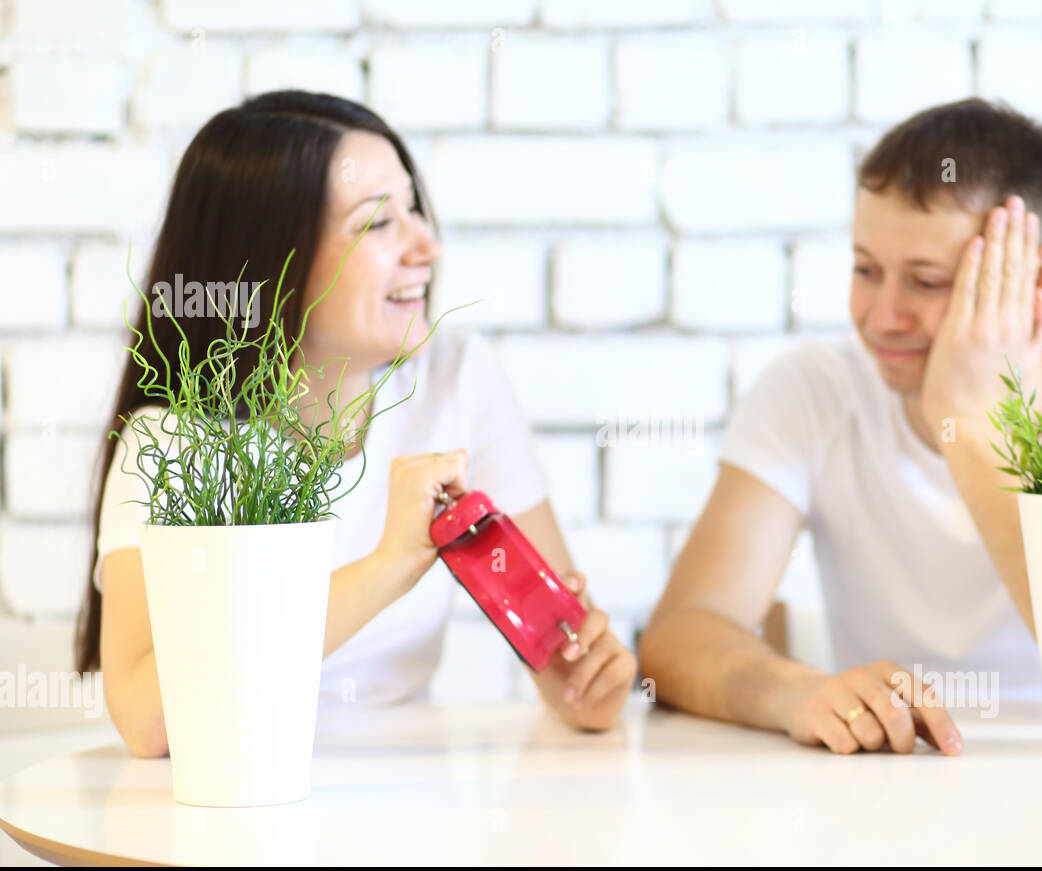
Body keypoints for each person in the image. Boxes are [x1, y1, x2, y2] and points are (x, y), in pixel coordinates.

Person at [638, 97, 1042, 757]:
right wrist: (798, 693)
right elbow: (678, 635)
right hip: (896, 788)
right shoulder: (814, 391)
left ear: (1040, 278)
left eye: (925, 281)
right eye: (865, 270)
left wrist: (967, 421)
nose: (881, 316)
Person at [76, 91, 637, 758]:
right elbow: (147, 719)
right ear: (269, 260)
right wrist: (385, 568)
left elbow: (562, 656)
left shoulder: (460, 380)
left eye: (414, 210)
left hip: (408, 803)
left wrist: (583, 683)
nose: (427, 246)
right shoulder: (169, 443)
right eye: (378, 224)